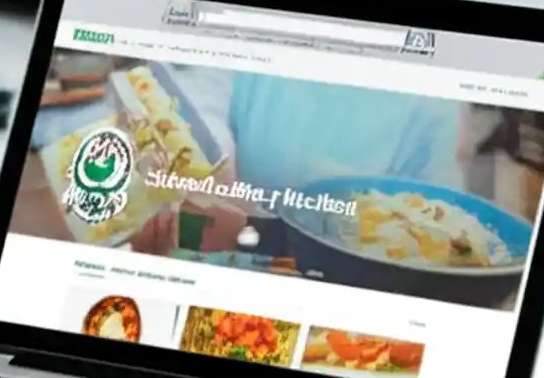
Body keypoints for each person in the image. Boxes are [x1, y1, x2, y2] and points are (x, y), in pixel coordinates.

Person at [130, 73, 466, 256]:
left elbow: (436, 248)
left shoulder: (431, 105)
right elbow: (198, 99)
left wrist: (250, 233)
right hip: (217, 249)